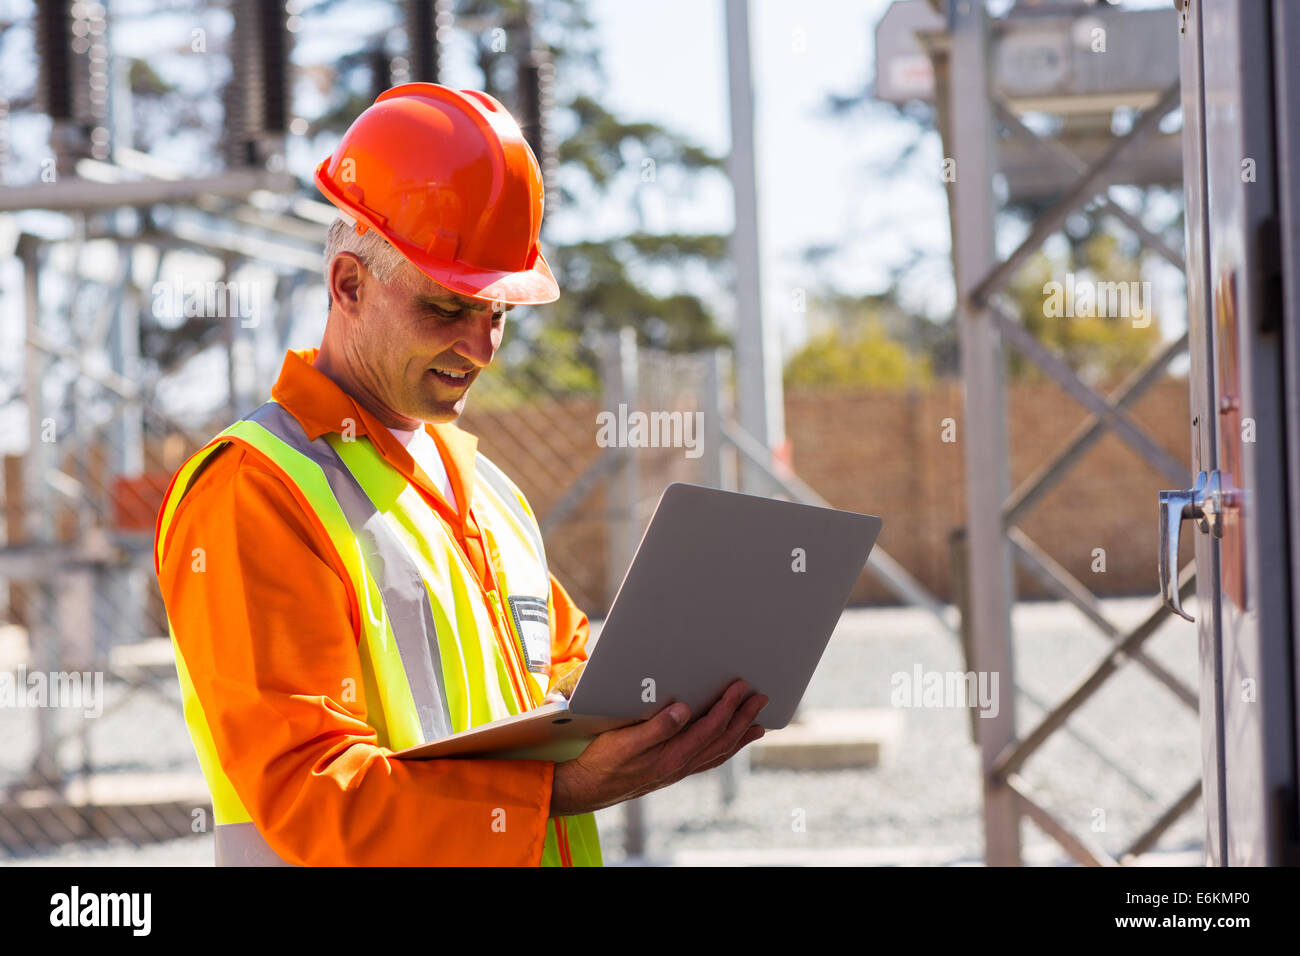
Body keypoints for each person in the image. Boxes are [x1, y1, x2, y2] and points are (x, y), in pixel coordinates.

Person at [153, 83, 767, 866]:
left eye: (498, 314)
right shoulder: (255, 491)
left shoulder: (486, 492)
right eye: (446, 309)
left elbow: (571, 674)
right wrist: (561, 793)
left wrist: (671, 700)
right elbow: (309, 790)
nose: (480, 349)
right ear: (348, 285)